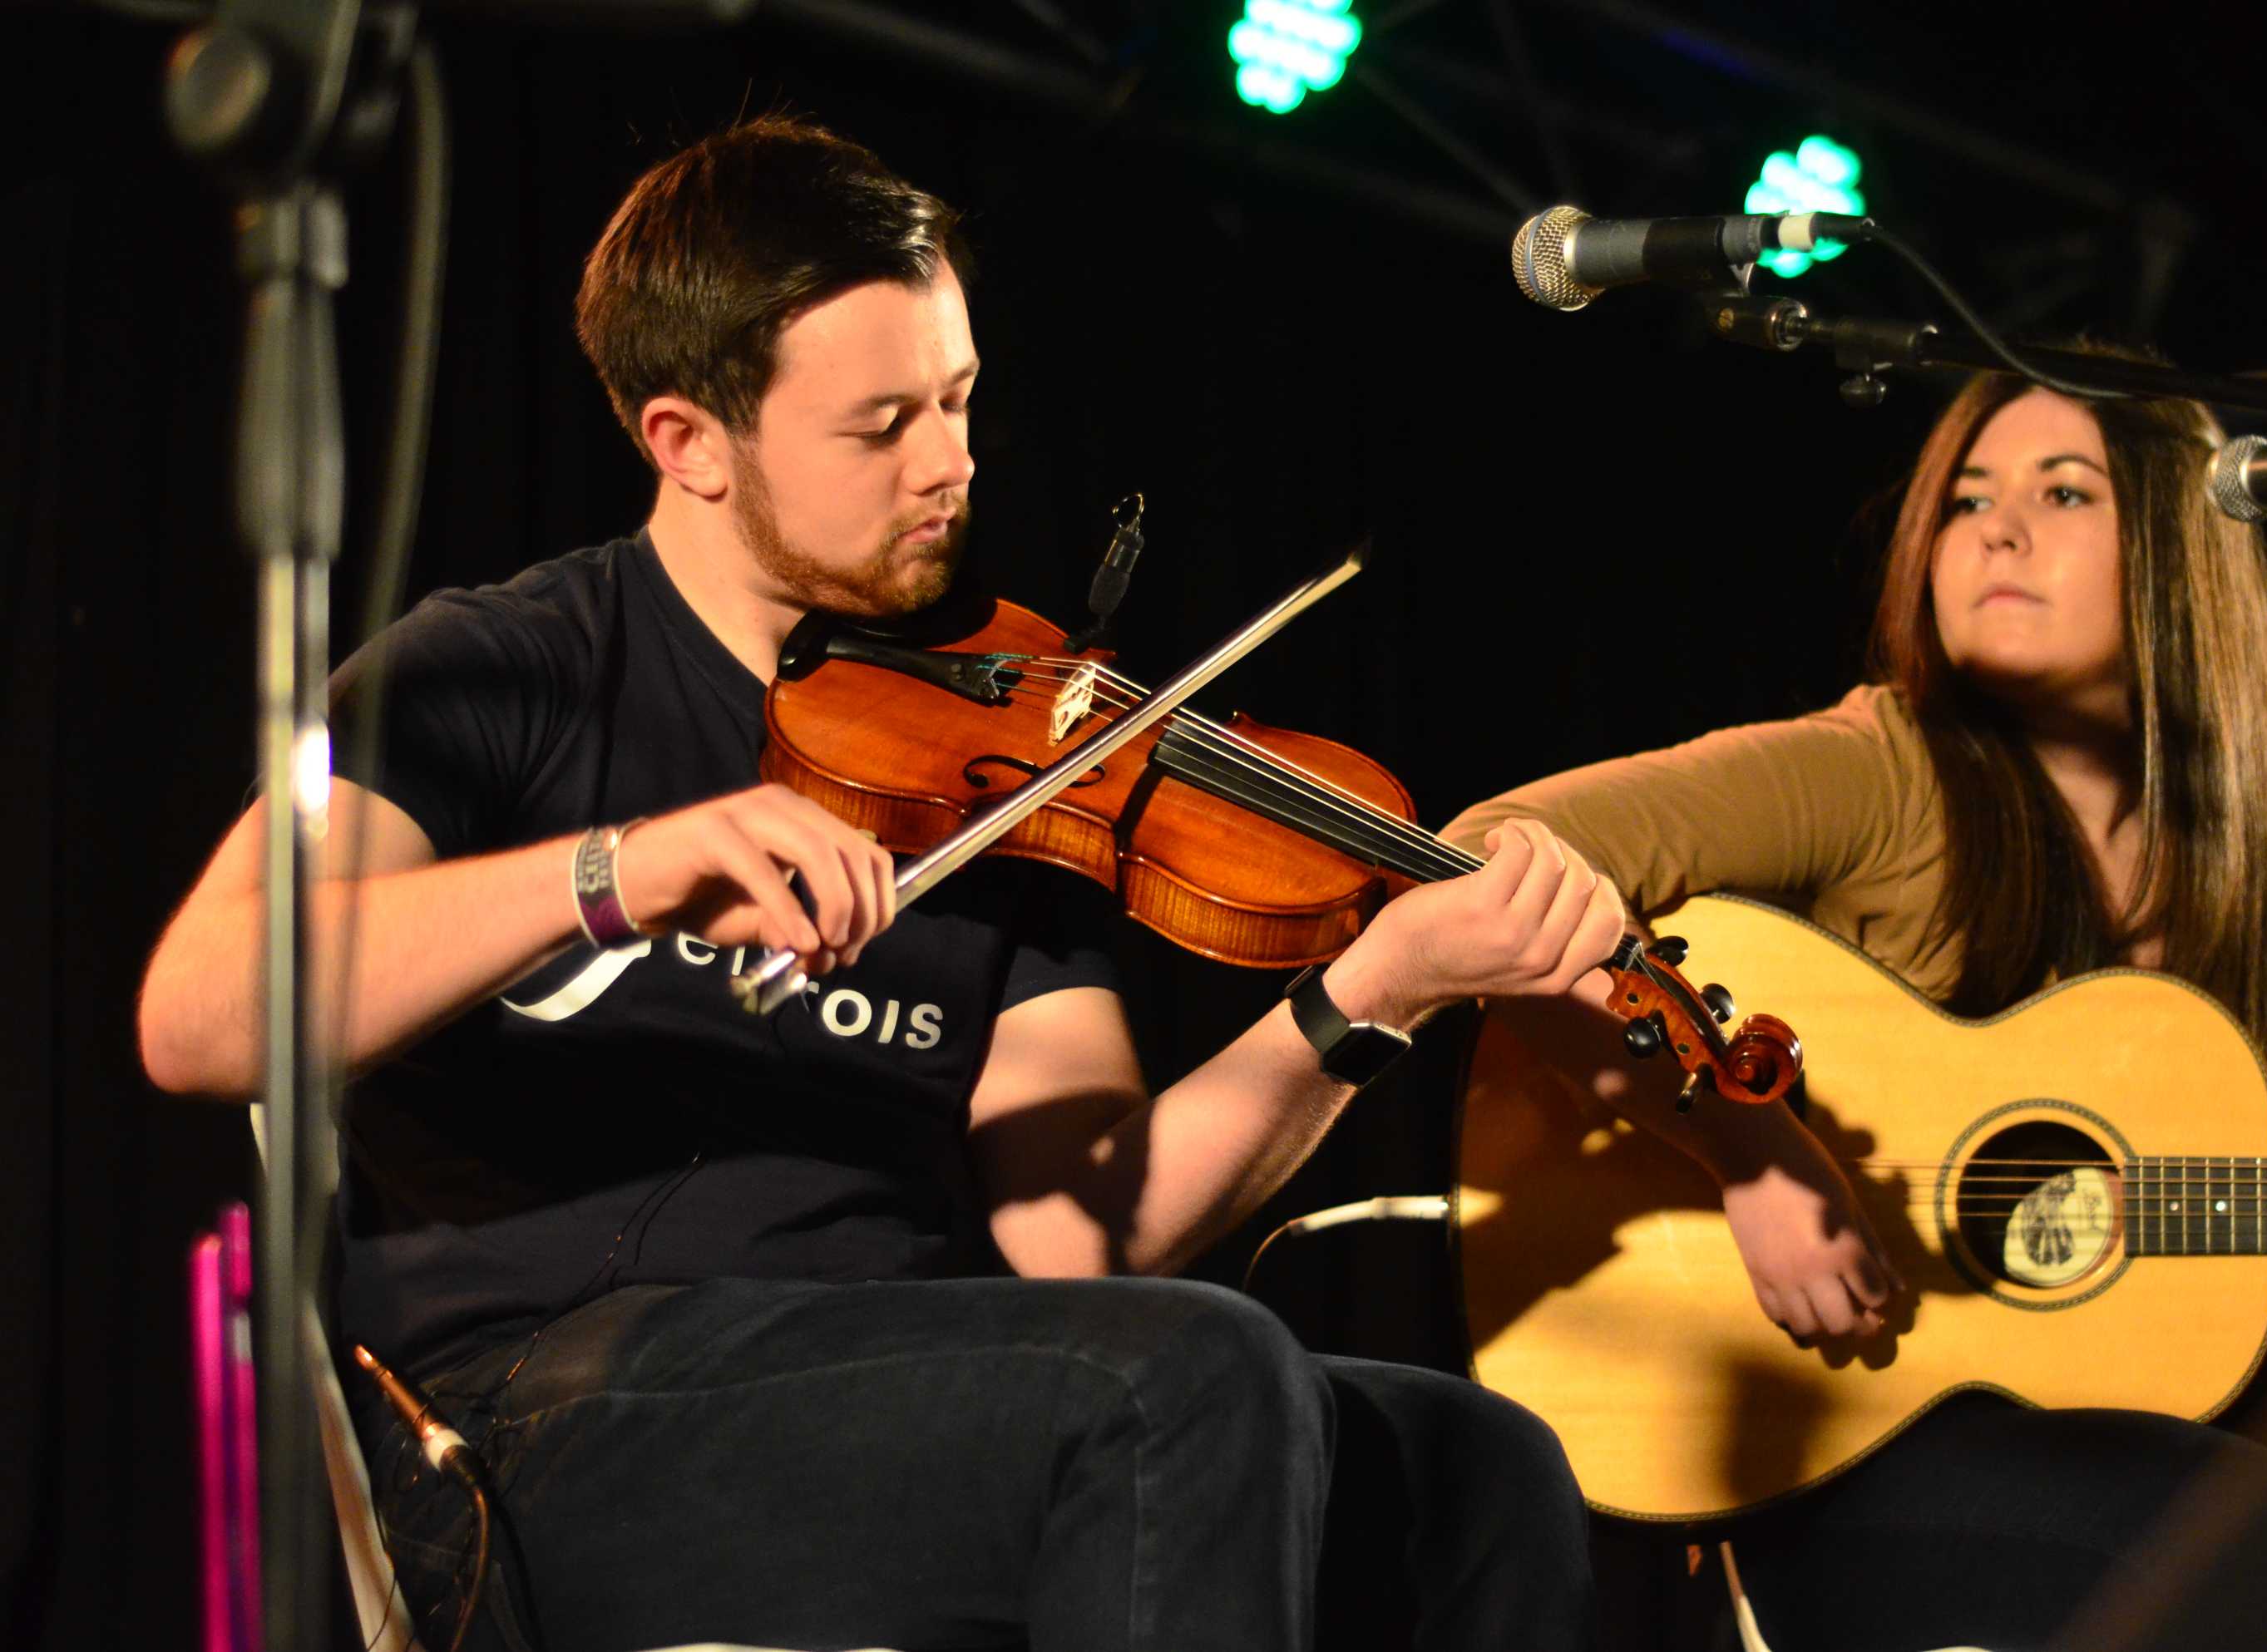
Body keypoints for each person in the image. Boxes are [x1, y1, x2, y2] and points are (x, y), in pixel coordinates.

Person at [136, 116, 1624, 1652]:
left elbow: (1082, 1238)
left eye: (959, 398)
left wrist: (1372, 992)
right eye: (882, 426)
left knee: (1474, 1466)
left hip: (910, 1385)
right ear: (688, 443)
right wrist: (620, 870)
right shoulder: (500, 669)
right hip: (534, 1420)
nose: (950, 465)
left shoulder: (1001, 737)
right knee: (1180, 1379)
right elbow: (197, 1013)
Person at [1441, 370, 2267, 1652]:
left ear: (2186, 552)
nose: (1996, 531)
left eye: (2062, 494)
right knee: (2244, 1533)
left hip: (2190, 1458)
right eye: (1966, 500)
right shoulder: (1885, 771)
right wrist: (1748, 1149)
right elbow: (1487, 854)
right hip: (1849, 1451)